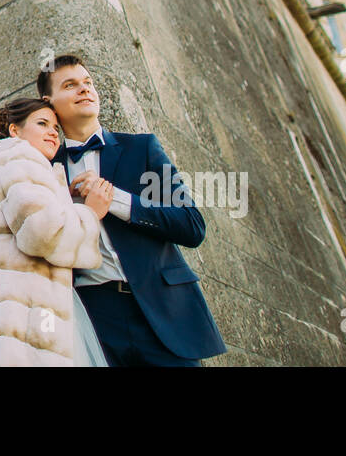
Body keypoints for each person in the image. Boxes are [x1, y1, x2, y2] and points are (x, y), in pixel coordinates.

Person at [38, 54, 228, 366]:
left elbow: (191, 225)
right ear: (49, 103)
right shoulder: (45, 168)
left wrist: (114, 200)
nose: (84, 89)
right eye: (70, 85)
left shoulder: (141, 149)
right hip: (92, 318)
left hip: (160, 312)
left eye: (88, 83)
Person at [0, 97, 115, 366]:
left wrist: (61, 199)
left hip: (4, 316)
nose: (51, 132)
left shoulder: (9, 161)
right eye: (42, 123)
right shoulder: (22, 157)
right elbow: (41, 233)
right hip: (21, 321)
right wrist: (90, 213)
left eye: (56, 128)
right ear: (15, 130)